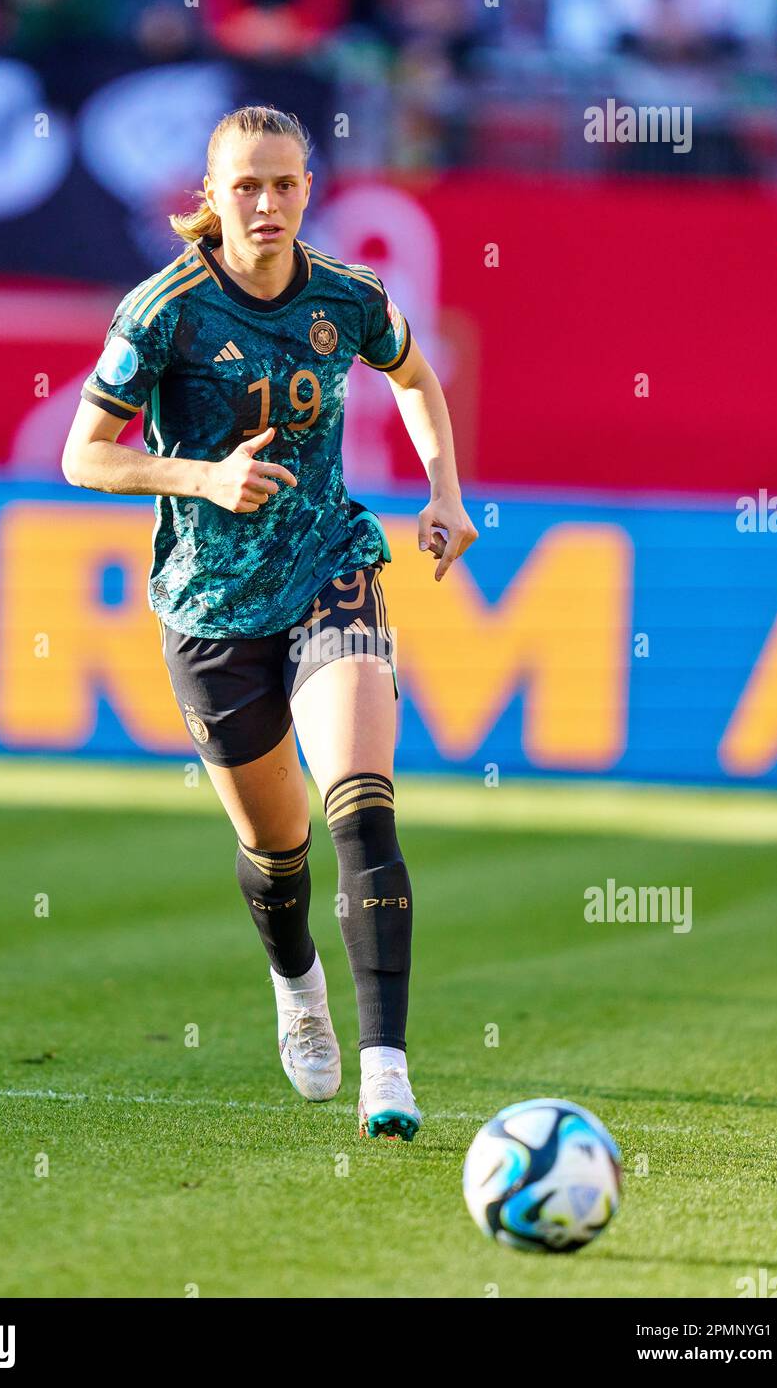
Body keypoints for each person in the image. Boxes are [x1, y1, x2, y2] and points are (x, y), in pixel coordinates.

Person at [63, 105, 477, 1140]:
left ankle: (388, 1065)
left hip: (329, 566)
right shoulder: (162, 311)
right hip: (209, 608)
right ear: (211, 194)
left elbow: (416, 375)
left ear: (308, 189)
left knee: (361, 808)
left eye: (284, 183)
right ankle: (297, 986)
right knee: (278, 846)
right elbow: (84, 455)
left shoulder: (347, 296)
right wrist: (203, 474)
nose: (266, 202)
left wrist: (443, 492)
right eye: (245, 184)